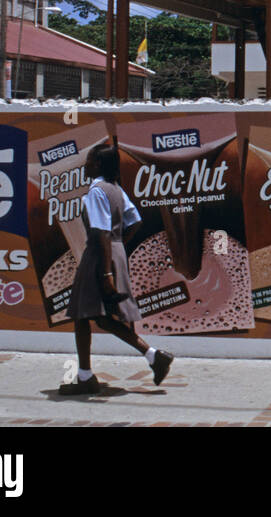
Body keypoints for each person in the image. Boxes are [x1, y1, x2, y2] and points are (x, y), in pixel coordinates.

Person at [59, 144, 173, 395]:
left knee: (84, 314)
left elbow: (100, 232)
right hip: (114, 251)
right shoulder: (116, 190)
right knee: (94, 315)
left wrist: (106, 270)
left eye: (89, 160)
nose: (85, 164)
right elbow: (135, 221)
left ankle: (87, 377)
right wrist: (119, 245)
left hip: (99, 255)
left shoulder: (96, 191)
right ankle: (151, 356)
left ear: (98, 164)